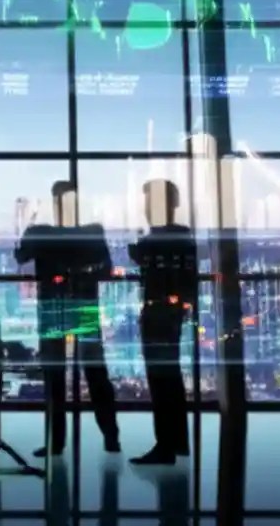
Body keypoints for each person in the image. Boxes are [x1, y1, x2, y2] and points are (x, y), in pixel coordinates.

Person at [15, 180, 120, 457]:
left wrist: (29, 224)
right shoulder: (92, 233)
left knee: (55, 377)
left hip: (52, 307)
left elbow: (20, 255)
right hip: (83, 305)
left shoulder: (40, 232)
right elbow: (106, 270)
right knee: (95, 374)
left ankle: (56, 441)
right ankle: (110, 436)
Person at [127, 179, 195, 465]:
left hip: (158, 314)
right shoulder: (184, 238)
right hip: (172, 314)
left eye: (147, 201)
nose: (144, 208)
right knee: (171, 378)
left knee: (160, 380)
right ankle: (177, 442)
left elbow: (139, 256)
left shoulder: (155, 239)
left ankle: (165, 446)